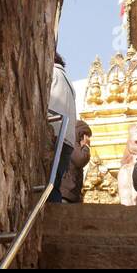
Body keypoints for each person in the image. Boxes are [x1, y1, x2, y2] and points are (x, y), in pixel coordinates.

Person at [47, 52, 77, 203]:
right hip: (68, 139)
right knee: (55, 181)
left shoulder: (52, 74)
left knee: (49, 181)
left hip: (56, 132)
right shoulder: (69, 83)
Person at [59, 121, 93, 204]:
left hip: (70, 192)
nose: (88, 139)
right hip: (67, 191)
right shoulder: (73, 143)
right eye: (86, 136)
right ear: (82, 135)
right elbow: (81, 159)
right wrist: (86, 146)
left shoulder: (69, 140)